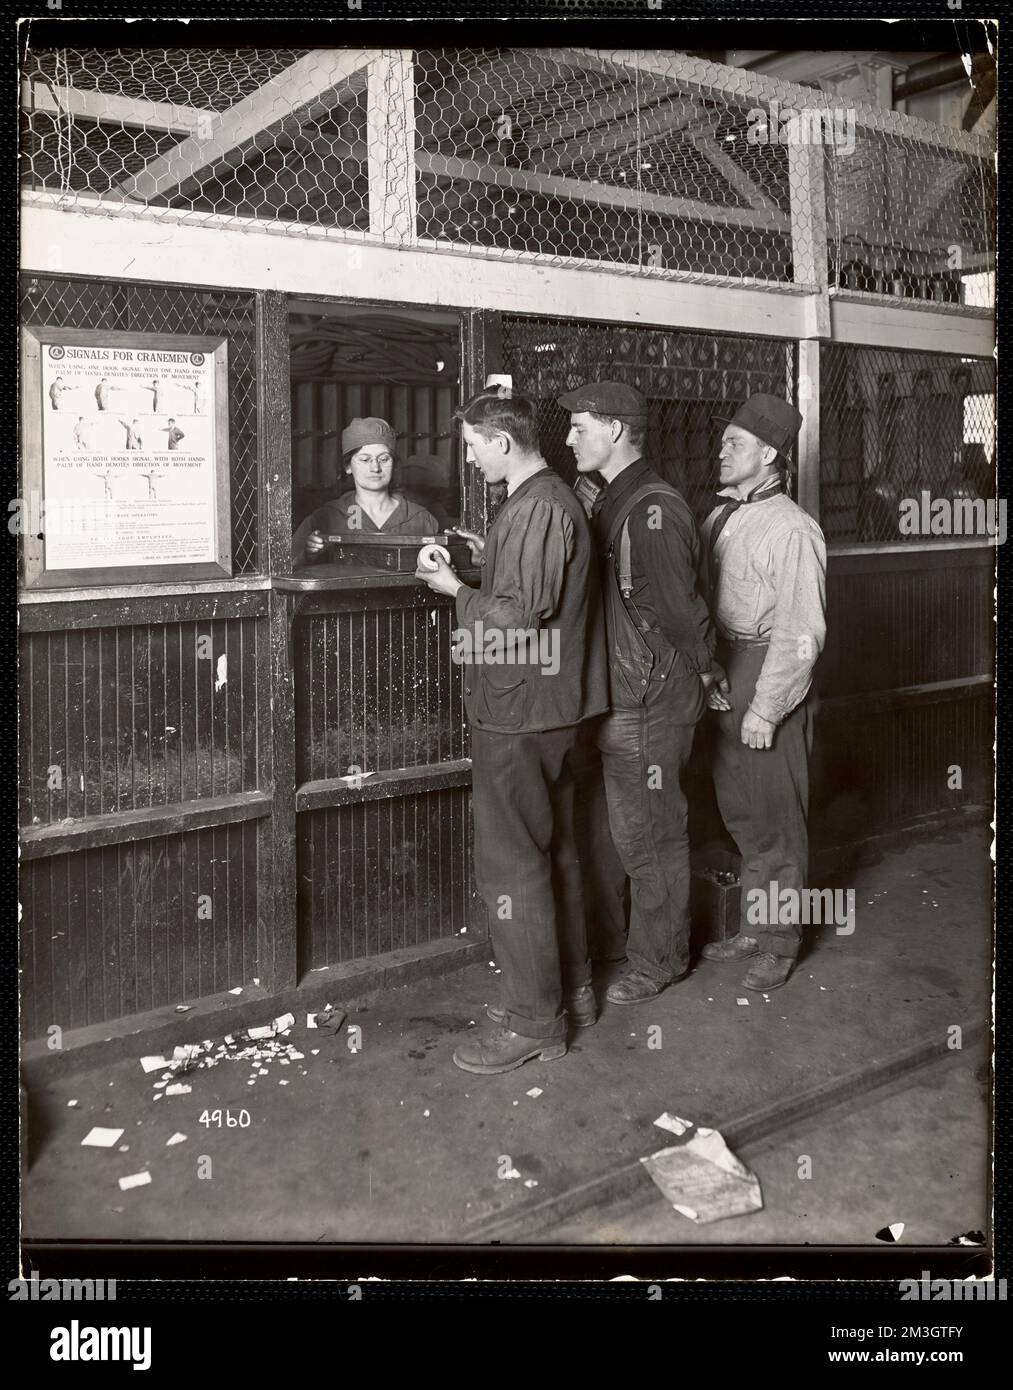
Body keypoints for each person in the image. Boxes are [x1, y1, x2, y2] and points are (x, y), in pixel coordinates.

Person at [416, 388, 608, 1074]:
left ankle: (532, 1022)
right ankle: (570, 992)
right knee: (553, 852)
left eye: (472, 447)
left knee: (511, 864)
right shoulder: (543, 503)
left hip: (517, 711)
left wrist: (455, 591)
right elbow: (531, 593)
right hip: (549, 710)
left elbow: (515, 622)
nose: (470, 459)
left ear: (502, 443)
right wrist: (484, 558)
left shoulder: (536, 509)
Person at [560, 380, 720, 1004]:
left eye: (580, 427)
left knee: (650, 832)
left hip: (648, 696)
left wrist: (708, 673)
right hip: (619, 692)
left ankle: (660, 961)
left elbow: (684, 612)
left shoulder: (653, 509)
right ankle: (617, 945)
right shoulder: (612, 501)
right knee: (614, 829)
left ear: (617, 430)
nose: (570, 438)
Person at [700, 394, 827, 991]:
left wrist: (767, 707)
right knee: (740, 810)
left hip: (765, 668)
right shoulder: (721, 514)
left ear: (770, 454)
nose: (722, 451)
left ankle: (779, 940)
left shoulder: (793, 529)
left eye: (736, 443)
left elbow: (802, 633)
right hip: (725, 666)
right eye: (723, 441)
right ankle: (757, 922)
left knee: (775, 817)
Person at [292, 417, 440, 568]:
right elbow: (287, 567)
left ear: (394, 463)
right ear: (348, 466)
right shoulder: (325, 517)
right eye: (364, 459)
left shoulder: (421, 519)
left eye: (384, 459)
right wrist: (307, 555)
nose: (375, 468)